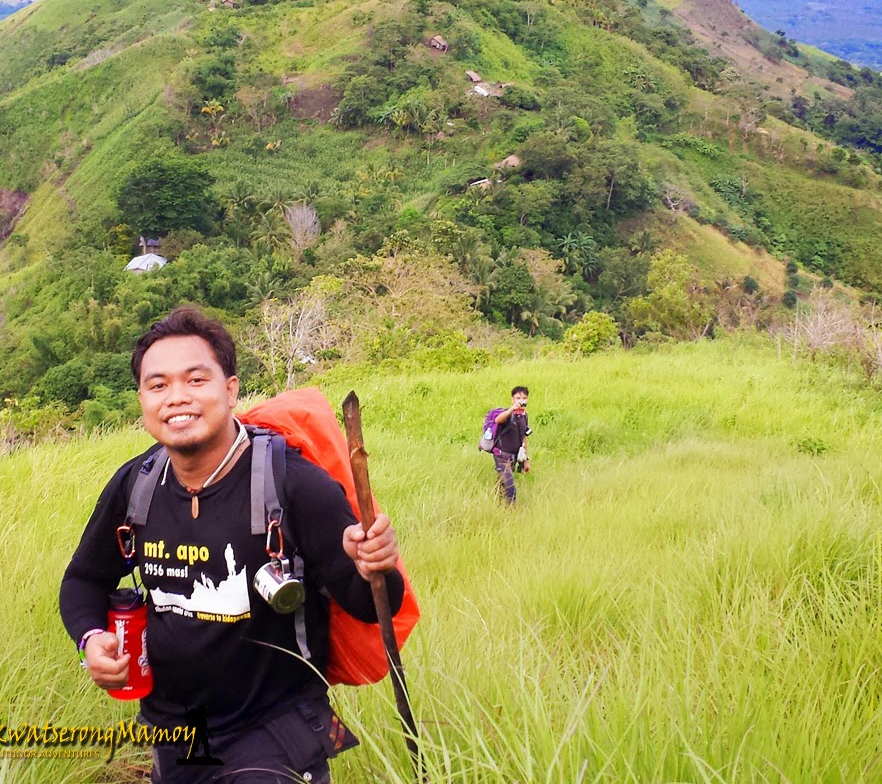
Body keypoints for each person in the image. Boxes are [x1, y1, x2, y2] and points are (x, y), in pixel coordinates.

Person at [60, 307, 404, 783]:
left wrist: (374, 566)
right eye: (157, 385)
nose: (176, 397)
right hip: (173, 734)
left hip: (274, 730)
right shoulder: (136, 485)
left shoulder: (294, 484)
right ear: (141, 398)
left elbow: (370, 605)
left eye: (196, 380)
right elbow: (84, 580)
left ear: (231, 388)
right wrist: (91, 639)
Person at [488, 385, 530, 504]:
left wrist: (526, 460)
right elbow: (498, 420)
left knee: (503, 485)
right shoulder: (508, 414)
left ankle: (496, 504)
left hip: (514, 457)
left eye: (524, 398)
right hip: (502, 456)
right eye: (518, 397)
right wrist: (512, 409)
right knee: (510, 488)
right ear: (512, 399)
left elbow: (524, 438)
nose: (521, 400)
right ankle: (511, 513)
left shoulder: (524, 416)